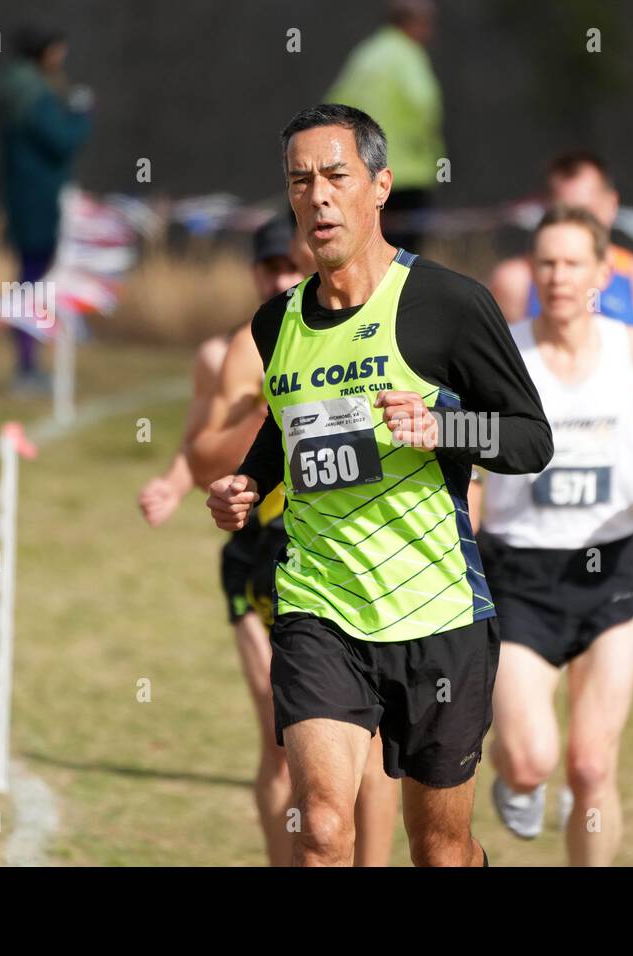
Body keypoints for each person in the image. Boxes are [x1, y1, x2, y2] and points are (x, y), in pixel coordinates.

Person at [206, 103, 553, 867]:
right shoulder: (275, 324)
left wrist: (447, 427)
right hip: (318, 607)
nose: (318, 197)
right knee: (324, 831)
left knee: (440, 850)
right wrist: (246, 482)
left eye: (336, 176)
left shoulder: (450, 306)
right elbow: (289, 424)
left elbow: (532, 440)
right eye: (301, 182)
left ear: (380, 187)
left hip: (437, 612)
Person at [156, 216, 398, 866]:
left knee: (370, 739)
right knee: (280, 731)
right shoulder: (251, 342)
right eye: (271, 268)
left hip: (354, 553)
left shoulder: (379, 327)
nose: (283, 279)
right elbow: (204, 455)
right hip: (264, 557)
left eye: (292, 267)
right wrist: (264, 416)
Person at [475, 205, 633, 864]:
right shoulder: (502, 354)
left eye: (574, 263)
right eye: (547, 262)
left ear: (602, 271)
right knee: (530, 758)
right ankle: (512, 777)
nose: (560, 276)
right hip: (520, 576)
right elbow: (474, 470)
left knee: (593, 768)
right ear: (531, 271)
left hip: (612, 575)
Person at [489, 150, 633, 393]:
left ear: (611, 205)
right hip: (546, 426)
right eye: (564, 212)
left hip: (619, 426)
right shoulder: (516, 282)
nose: (575, 224)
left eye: (586, 213)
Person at [0, 22, 92, 392]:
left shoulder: (16, 88)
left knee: (31, 280)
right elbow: (61, 141)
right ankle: (27, 368)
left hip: (25, 199)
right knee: (34, 281)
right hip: (40, 203)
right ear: (44, 52)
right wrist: (82, 115)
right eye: (57, 49)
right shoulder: (32, 94)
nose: (61, 57)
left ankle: (29, 364)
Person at [324, 0, 444, 252]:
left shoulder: (365, 54)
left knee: (364, 253)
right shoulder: (409, 56)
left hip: (363, 174)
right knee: (403, 262)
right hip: (406, 178)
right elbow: (425, 107)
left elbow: (333, 107)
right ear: (415, 24)